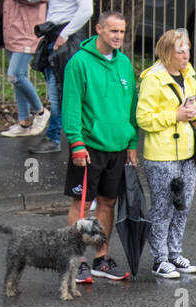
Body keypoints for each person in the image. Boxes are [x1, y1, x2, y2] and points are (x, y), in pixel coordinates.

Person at [59, 9, 140, 284]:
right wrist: (76, 142)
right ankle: (76, 259)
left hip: (117, 146)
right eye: (113, 30)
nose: (118, 36)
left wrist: (132, 141)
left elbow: (132, 107)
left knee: (108, 202)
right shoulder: (79, 63)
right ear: (99, 29)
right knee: (81, 204)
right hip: (89, 146)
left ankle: (100, 259)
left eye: (122, 31)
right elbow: (70, 106)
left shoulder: (125, 64)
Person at [136, 28, 196, 280]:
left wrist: (194, 114)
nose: (186, 54)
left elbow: (193, 108)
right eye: (180, 50)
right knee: (163, 208)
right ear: (167, 52)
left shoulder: (189, 76)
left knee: (183, 204)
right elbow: (143, 118)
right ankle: (160, 258)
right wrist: (174, 116)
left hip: (186, 152)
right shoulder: (152, 79)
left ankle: (175, 252)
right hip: (162, 155)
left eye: (187, 49)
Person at [28, 0, 93, 155]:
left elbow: (87, 10)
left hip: (65, 37)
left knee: (59, 92)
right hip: (56, 35)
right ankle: (63, 136)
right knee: (57, 92)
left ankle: (54, 138)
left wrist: (65, 34)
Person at [0, 0, 50, 138]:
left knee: (15, 75)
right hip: (12, 31)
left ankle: (41, 112)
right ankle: (23, 122)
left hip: (27, 33)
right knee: (18, 78)